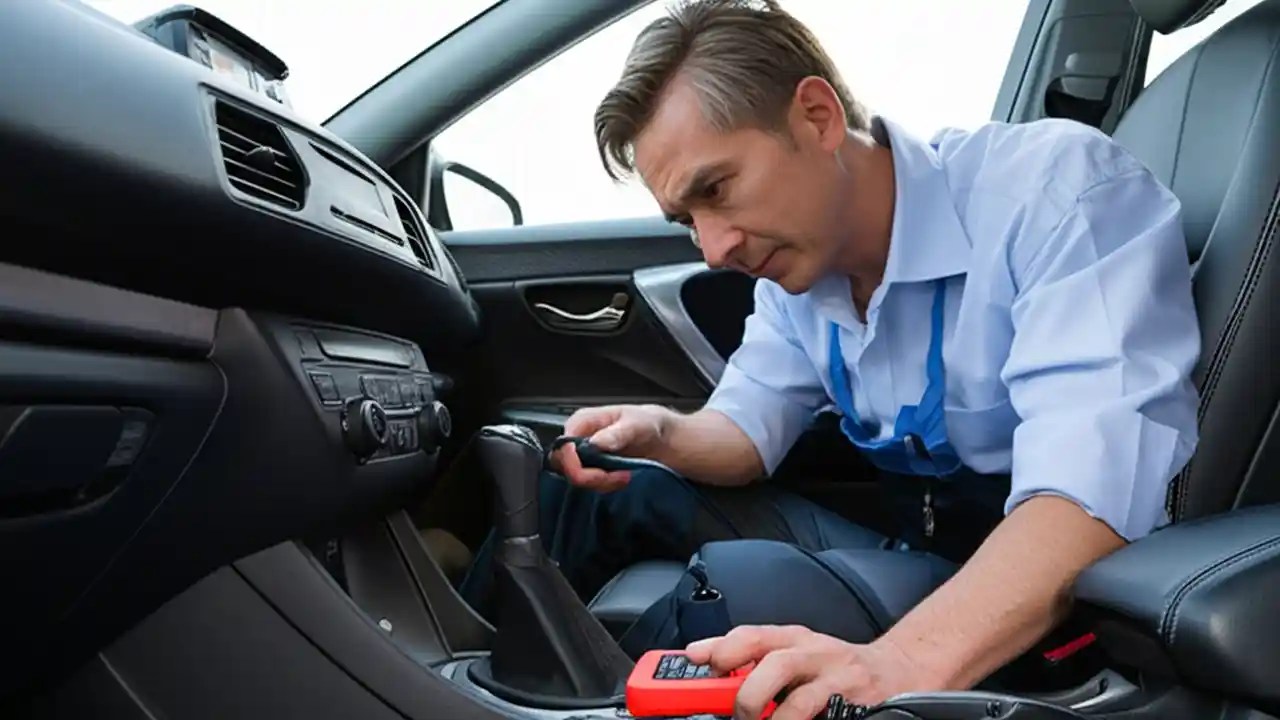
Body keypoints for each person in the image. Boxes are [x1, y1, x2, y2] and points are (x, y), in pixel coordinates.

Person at [458, 0, 1201, 715]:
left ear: (816, 116)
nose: (715, 248)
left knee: (731, 593)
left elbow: (1089, 499)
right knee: (589, 485)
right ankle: (447, 661)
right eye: (689, 220)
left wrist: (897, 665)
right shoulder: (800, 272)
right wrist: (664, 433)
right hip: (912, 540)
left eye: (717, 190)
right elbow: (748, 435)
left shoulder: (1055, 193)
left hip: (1045, 592)